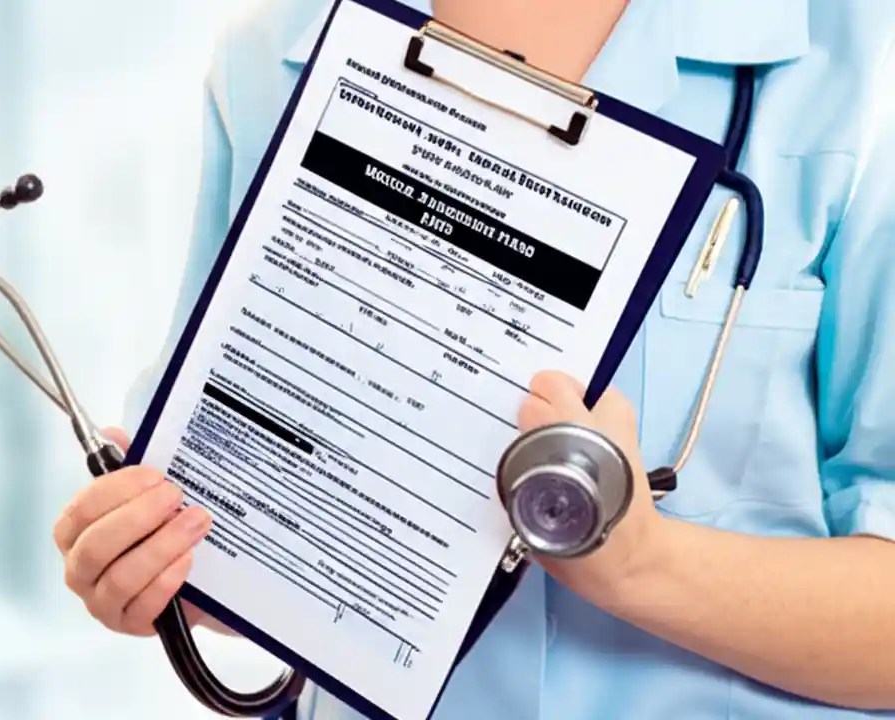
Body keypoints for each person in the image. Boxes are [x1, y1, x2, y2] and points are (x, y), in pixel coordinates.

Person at [51, 0, 895, 717]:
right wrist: (169, 567)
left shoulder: (857, 67)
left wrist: (648, 566)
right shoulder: (277, 51)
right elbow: (243, 521)